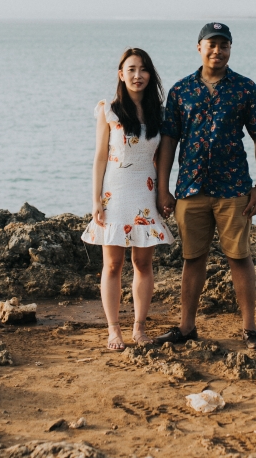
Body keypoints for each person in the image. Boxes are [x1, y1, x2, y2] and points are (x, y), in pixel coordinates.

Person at [154, 22, 256, 350]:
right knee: (193, 258)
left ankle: (250, 329)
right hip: (190, 189)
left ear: (230, 49)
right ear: (199, 47)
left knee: (239, 257)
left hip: (234, 188)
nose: (217, 51)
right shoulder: (181, 91)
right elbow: (168, 142)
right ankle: (187, 327)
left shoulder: (246, 89)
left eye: (224, 45)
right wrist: (163, 190)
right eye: (212, 44)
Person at [82, 48, 175, 350]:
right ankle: (113, 330)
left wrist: (164, 193)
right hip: (115, 194)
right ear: (121, 74)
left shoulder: (158, 113)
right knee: (112, 264)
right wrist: (95, 199)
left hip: (145, 193)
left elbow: (162, 159)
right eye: (131, 69)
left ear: (151, 74)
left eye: (143, 69)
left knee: (143, 263)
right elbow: (99, 157)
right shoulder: (108, 109)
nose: (138, 75)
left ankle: (139, 327)